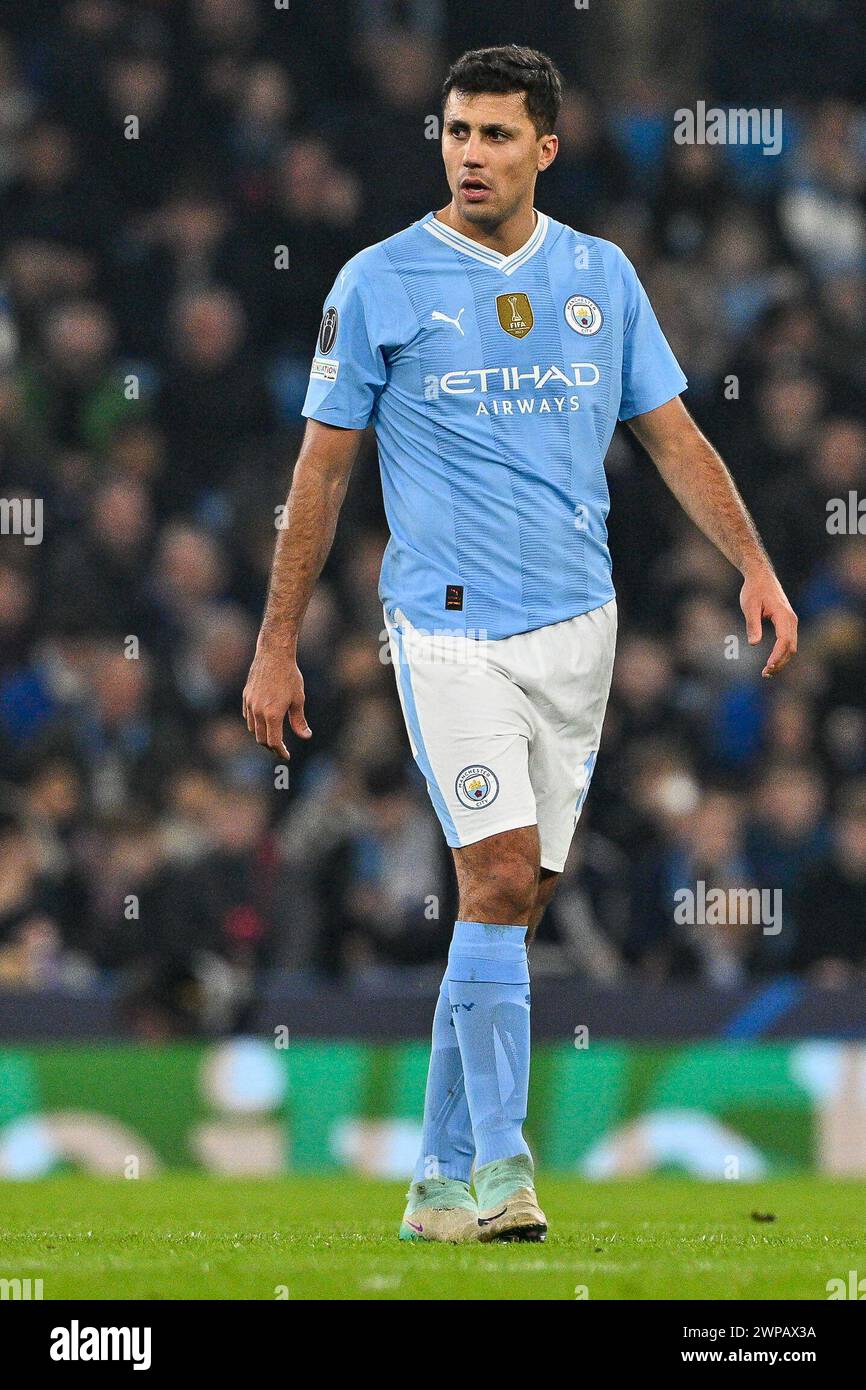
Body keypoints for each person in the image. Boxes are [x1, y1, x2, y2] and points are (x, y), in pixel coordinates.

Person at [242, 45, 798, 1243]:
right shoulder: (380, 280)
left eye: (496, 135)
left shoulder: (599, 276)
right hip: (445, 635)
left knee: (509, 907)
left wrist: (751, 564)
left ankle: (434, 1182)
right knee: (492, 879)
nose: (471, 154)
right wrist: (276, 639)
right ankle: (503, 1170)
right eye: (455, 132)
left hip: (579, 631)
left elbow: (673, 438)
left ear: (545, 147)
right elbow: (319, 474)